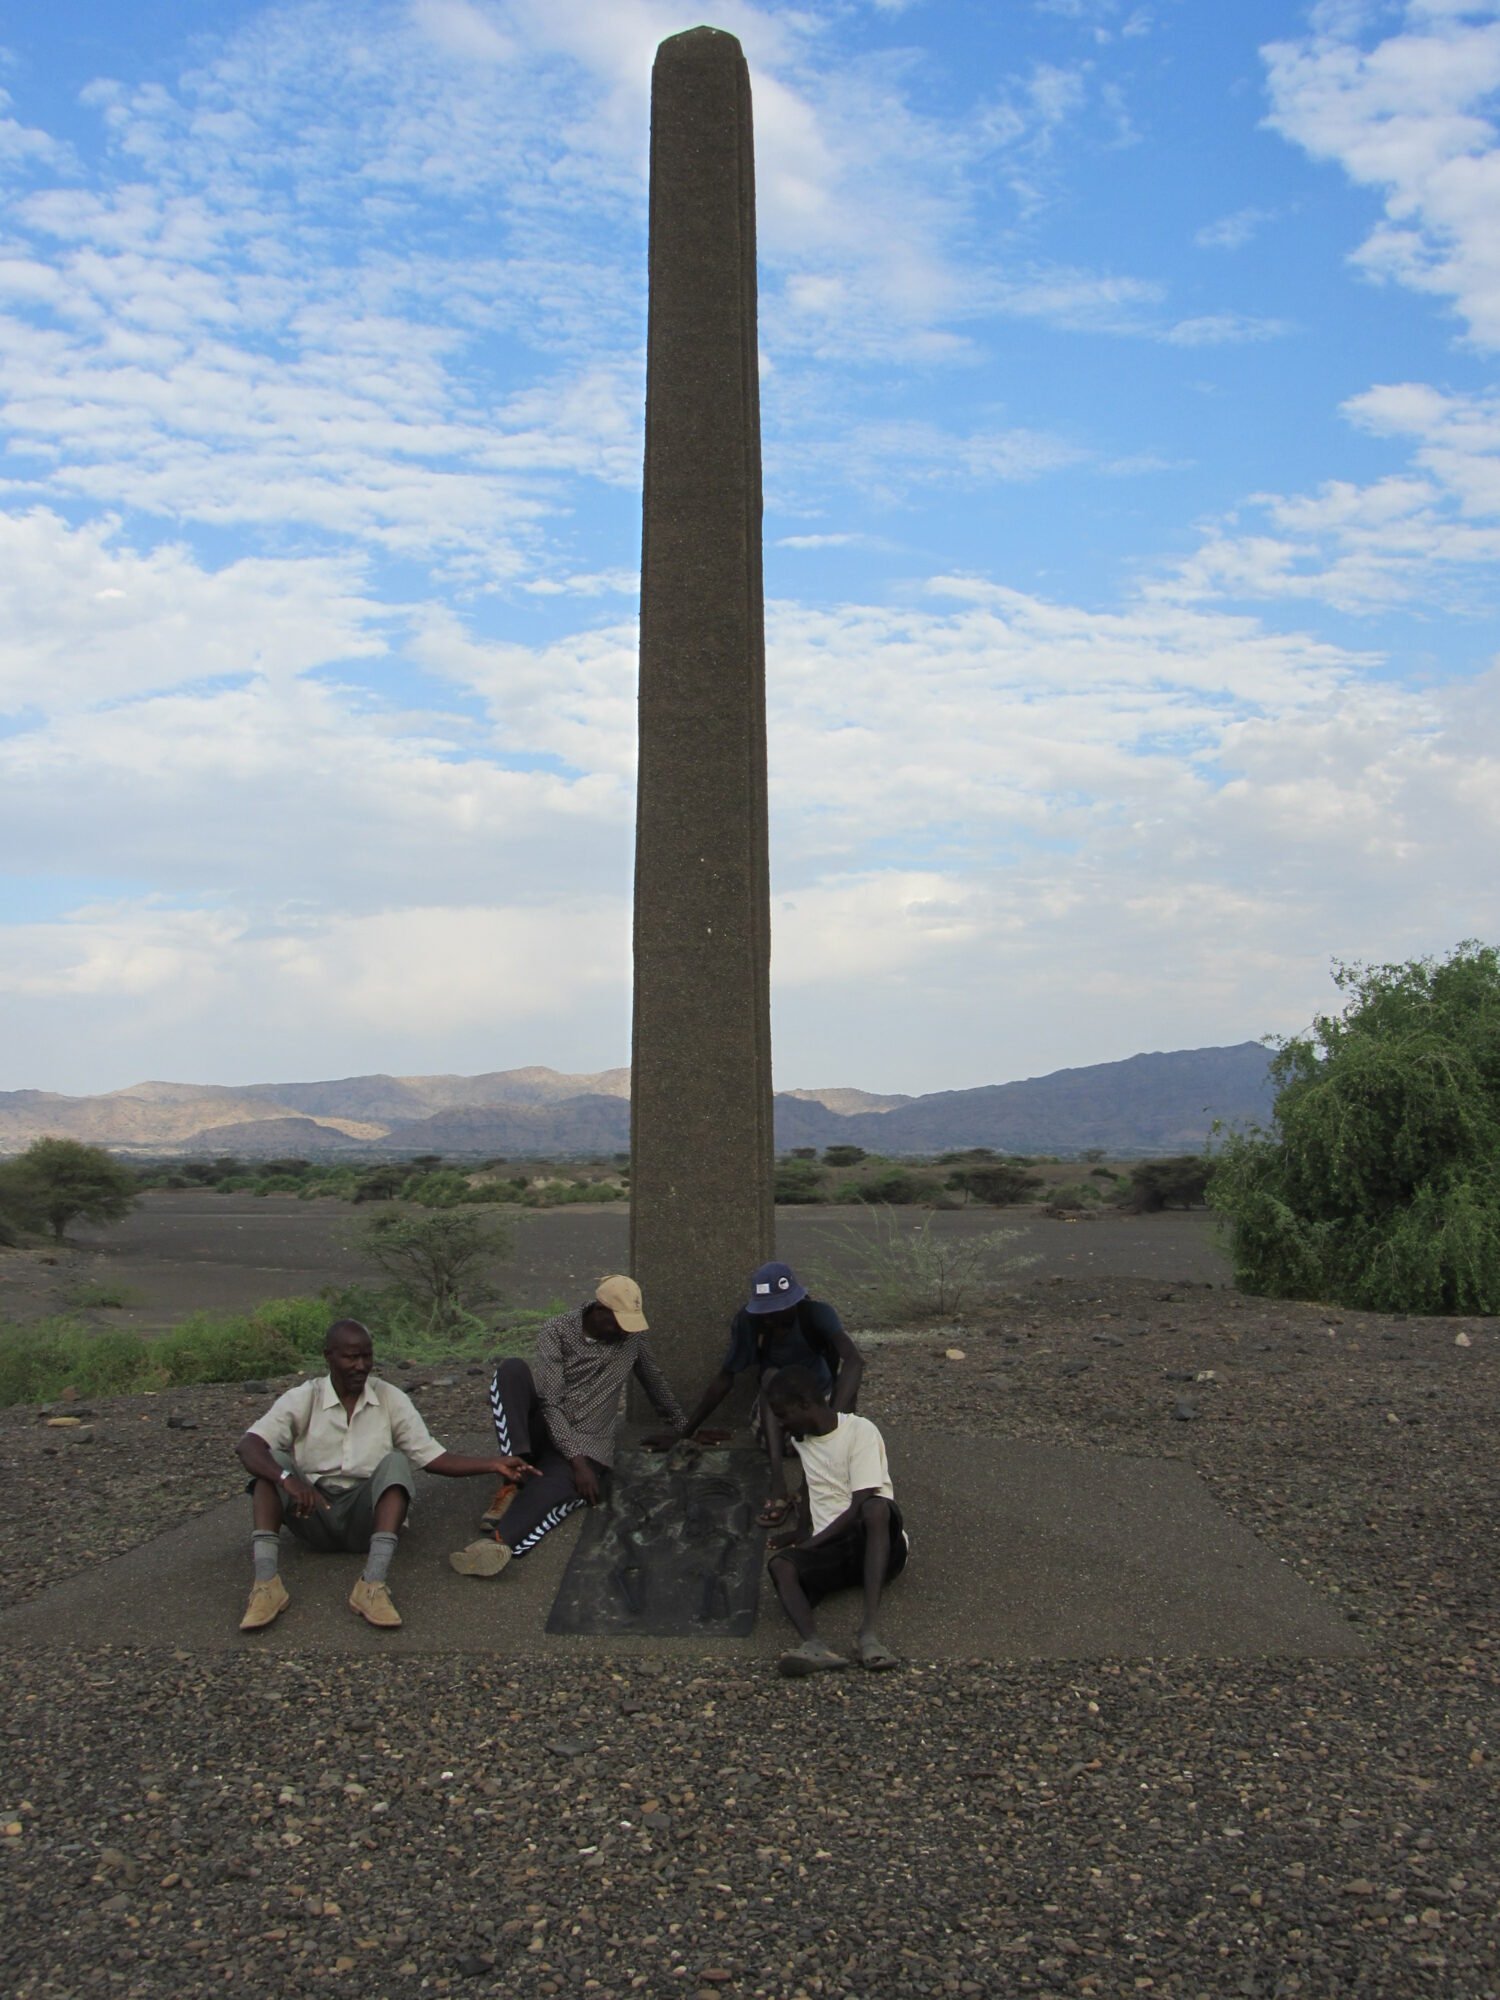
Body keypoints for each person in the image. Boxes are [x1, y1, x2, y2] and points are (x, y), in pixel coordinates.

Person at [236, 1318, 535, 1632]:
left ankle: (372, 1584)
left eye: (367, 1356)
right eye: (351, 1357)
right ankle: (266, 1585)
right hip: (312, 1513)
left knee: (395, 1462)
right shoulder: (304, 1397)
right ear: (329, 1357)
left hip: (366, 1520)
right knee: (272, 1462)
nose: (361, 1365)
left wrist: (493, 1464)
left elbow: (432, 1457)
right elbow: (248, 1446)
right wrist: (288, 1479)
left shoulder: (390, 1398)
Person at [448, 1274, 687, 1578]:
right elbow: (550, 1402)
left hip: (588, 1443)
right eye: (618, 1322)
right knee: (511, 1371)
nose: (624, 1331)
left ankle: (496, 1545)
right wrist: (577, 1462)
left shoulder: (633, 1339)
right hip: (545, 1429)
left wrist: (685, 1427)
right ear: (599, 1311)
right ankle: (514, 1473)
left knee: (549, 1495)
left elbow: (655, 1382)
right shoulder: (558, 1330)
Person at [658, 1262, 864, 1529]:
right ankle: (778, 1483)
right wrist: (684, 1432)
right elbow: (725, 1378)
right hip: (778, 1419)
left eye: (778, 1310)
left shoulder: (817, 1314)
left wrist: (833, 1420)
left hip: (816, 1405)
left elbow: (854, 1361)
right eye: (765, 1312)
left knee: (828, 1434)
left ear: (795, 1301)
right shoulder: (748, 1322)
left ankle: (807, 1487)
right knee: (771, 1378)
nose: (770, 1318)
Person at [762, 1366, 907, 1676]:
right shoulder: (802, 1441)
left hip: (875, 1541)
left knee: (876, 1508)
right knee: (780, 1565)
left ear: (805, 1405)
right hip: (836, 1551)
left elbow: (859, 1505)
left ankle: (868, 1636)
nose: (781, 1423)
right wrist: (800, 1534)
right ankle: (815, 1646)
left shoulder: (860, 1431)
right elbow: (810, 1485)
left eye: (784, 1415)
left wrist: (811, 1545)